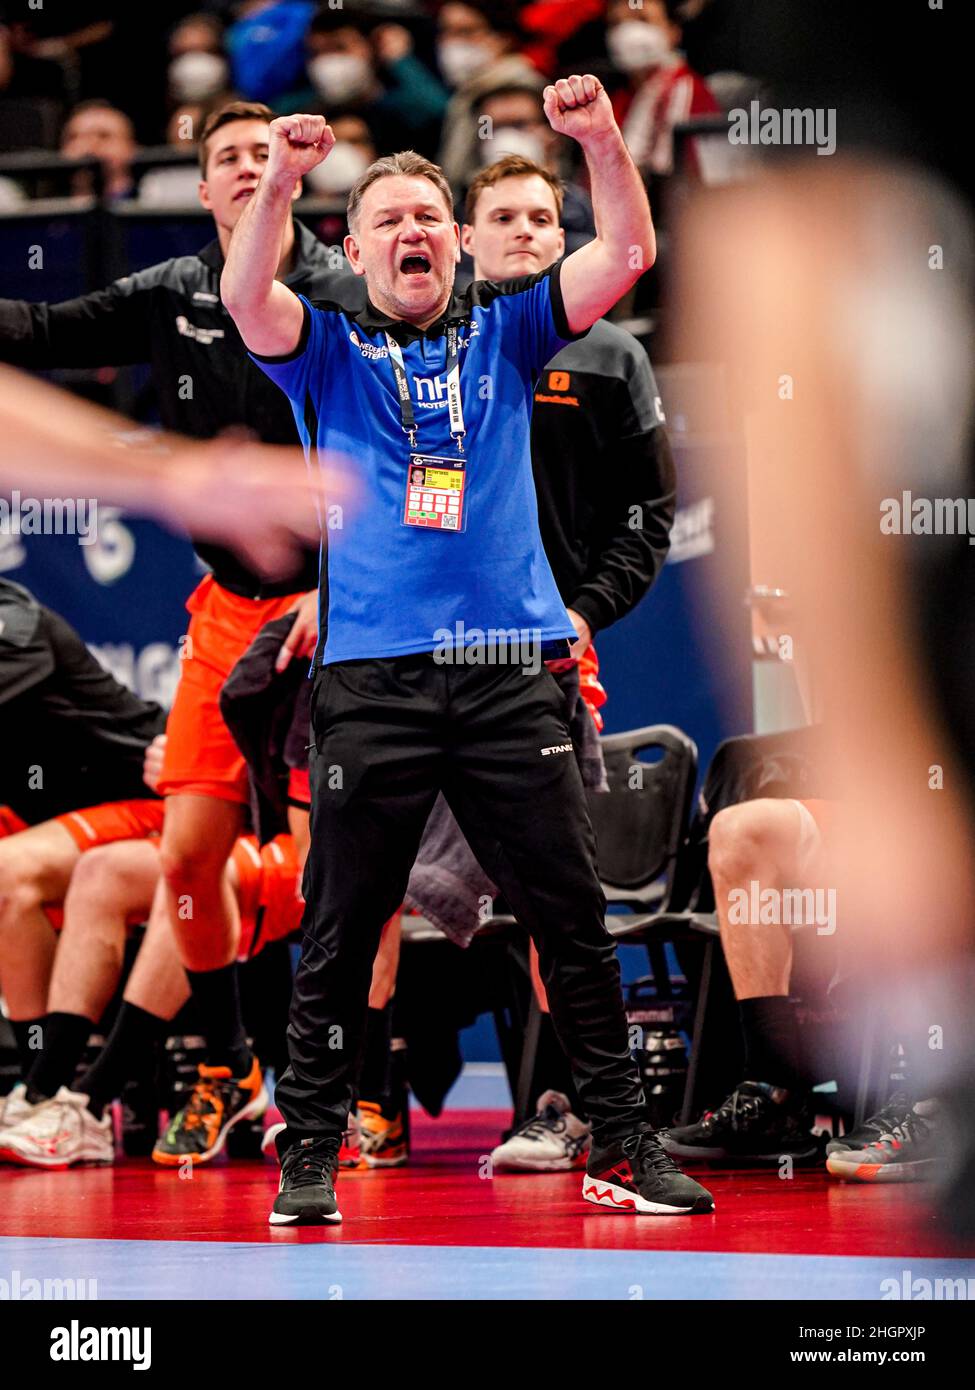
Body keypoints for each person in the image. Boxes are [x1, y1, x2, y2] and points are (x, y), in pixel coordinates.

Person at [222, 74, 714, 1224]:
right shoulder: (327, 349)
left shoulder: (511, 323)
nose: (412, 235)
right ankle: (312, 1153)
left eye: (428, 221)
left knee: (571, 920)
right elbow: (249, 295)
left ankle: (625, 1146)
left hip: (510, 672)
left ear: (457, 244)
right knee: (343, 927)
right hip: (373, 683)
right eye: (387, 219)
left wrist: (595, 139)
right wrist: (282, 183)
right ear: (353, 242)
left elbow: (629, 250)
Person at [0, 98, 363, 1170]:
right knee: (188, 861)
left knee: (320, 869)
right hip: (223, 619)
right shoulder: (173, 291)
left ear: (296, 177)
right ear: (201, 193)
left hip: (343, 616)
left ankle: (334, 1085)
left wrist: (335, 590)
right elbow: (45, 333)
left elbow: (401, 470)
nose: (250, 168)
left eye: (266, 153)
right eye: (227, 159)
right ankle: (221, 1056)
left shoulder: (348, 298)